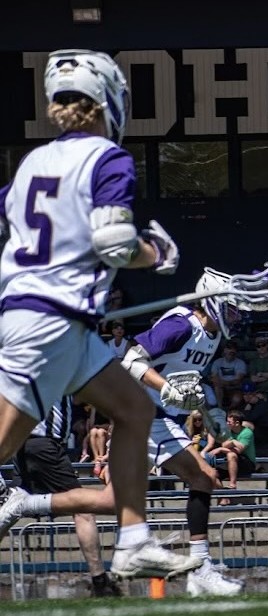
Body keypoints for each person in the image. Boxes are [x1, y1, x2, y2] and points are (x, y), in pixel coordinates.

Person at [0, 49, 197, 580]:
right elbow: (113, 242)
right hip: (49, 320)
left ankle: (133, 542)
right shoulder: (108, 159)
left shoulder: (32, 162)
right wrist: (156, 253)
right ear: (109, 99)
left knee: (134, 410)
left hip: (59, 322)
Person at [0, 270, 249, 594]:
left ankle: (25, 504)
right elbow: (132, 359)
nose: (235, 315)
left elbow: (184, 378)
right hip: (147, 418)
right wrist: (166, 389)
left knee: (112, 501)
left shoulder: (211, 335)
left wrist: (208, 413)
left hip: (163, 418)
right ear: (210, 302)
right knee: (202, 477)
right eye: (230, 307)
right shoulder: (181, 324)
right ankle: (201, 569)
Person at [13, 399, 121, 597]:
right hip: (44, 444)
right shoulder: (54, 379)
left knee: (13, 507)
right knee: (84, 509)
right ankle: (100, 582)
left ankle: (101, 581)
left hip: (24, 445)